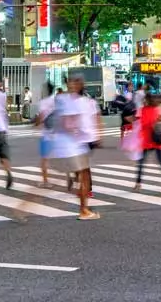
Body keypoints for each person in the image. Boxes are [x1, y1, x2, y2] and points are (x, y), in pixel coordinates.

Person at [42, 73, 101, 220]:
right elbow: (68, 124)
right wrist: (83, 133)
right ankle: (84, 210)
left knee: (83, 175)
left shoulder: (62, 99)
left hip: (66, 146)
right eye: (77, 82)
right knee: (84, 177)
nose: (79, 84)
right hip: (72, 146)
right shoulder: (72, 101)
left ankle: (84, 208)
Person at [133, 91, 161, 195]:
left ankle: (138, 183)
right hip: (157, 139)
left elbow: (143, 123)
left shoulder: (144, 110)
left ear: (147, 100)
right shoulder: (156, 109)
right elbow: (156, 121)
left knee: (141, 163)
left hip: (147, 140)